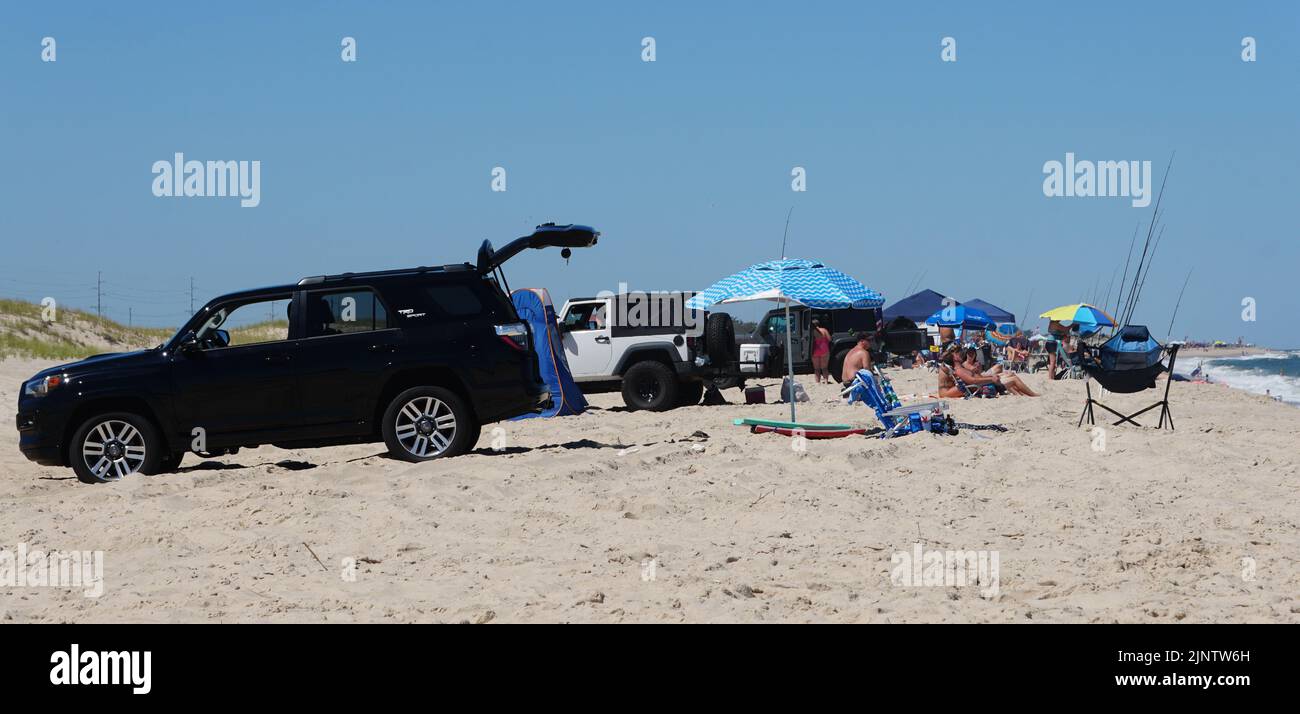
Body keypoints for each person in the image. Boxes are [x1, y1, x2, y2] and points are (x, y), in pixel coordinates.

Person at [961, 348, 1039, 396]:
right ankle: (1033, 395)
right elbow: (978, 378)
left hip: (986, 382)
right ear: (966, 354)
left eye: (973, 353)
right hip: (985, 385)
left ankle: (1021, 393)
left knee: (1011, 375)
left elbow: (979, 376)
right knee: (1014, 379)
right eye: (969, 353)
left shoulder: (972, 364)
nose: (971, 355)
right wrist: (991, 378)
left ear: (975, 354)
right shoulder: (966, 365)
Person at [810, 318, 832, 384]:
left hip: (815, 350)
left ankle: (817, 382)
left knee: (816, 369)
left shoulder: (812, 331)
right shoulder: (824, 330)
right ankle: (825, 381)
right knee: (824, 368)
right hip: (824, 349)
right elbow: (829, 339)